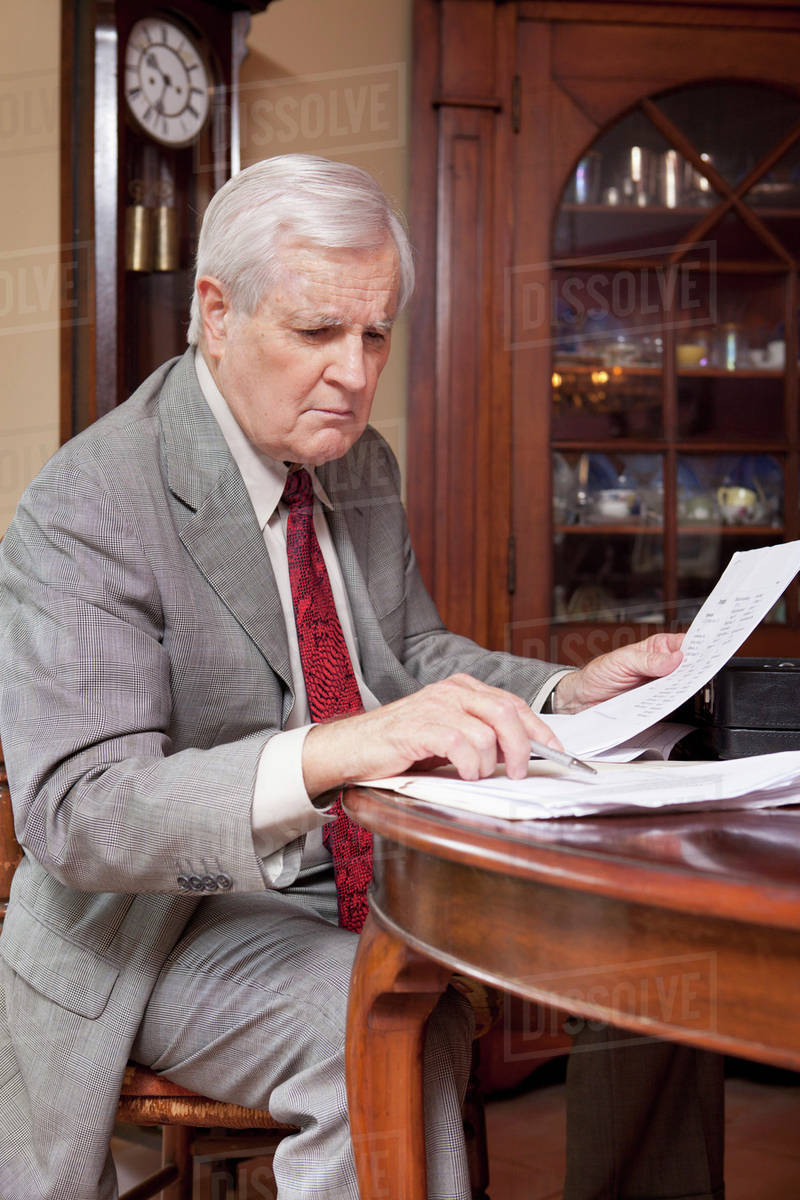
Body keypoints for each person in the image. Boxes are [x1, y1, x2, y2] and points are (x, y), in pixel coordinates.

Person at [0, 154, 723, 1200]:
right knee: (379, 1026)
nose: (353, 371)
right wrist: (335, 750)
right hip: (161, 930)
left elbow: (410, 657)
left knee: (655, 955)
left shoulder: (355, 461)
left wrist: (563, 694)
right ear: (215, 311)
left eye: (374, 332)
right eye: (314, 332)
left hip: (379, 876)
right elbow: (78, 815)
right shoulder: (90, 503)